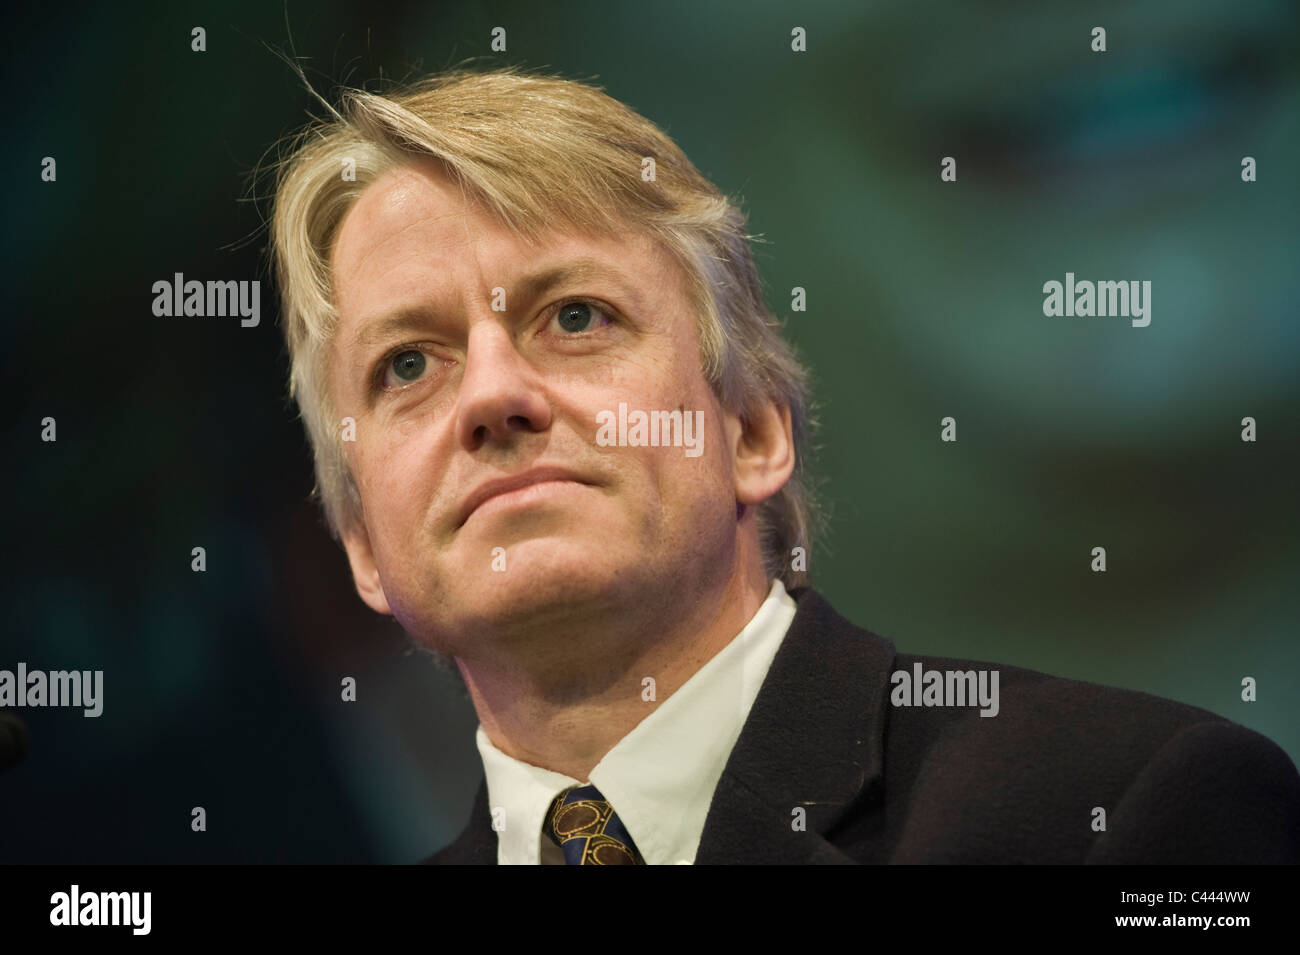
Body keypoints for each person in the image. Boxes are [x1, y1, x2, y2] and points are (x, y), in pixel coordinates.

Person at [268, 64, 1300, 864]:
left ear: (755, 429)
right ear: (362, 542)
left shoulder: (1124, 812)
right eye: (407, 364)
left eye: (574, 316)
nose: (492, 398)